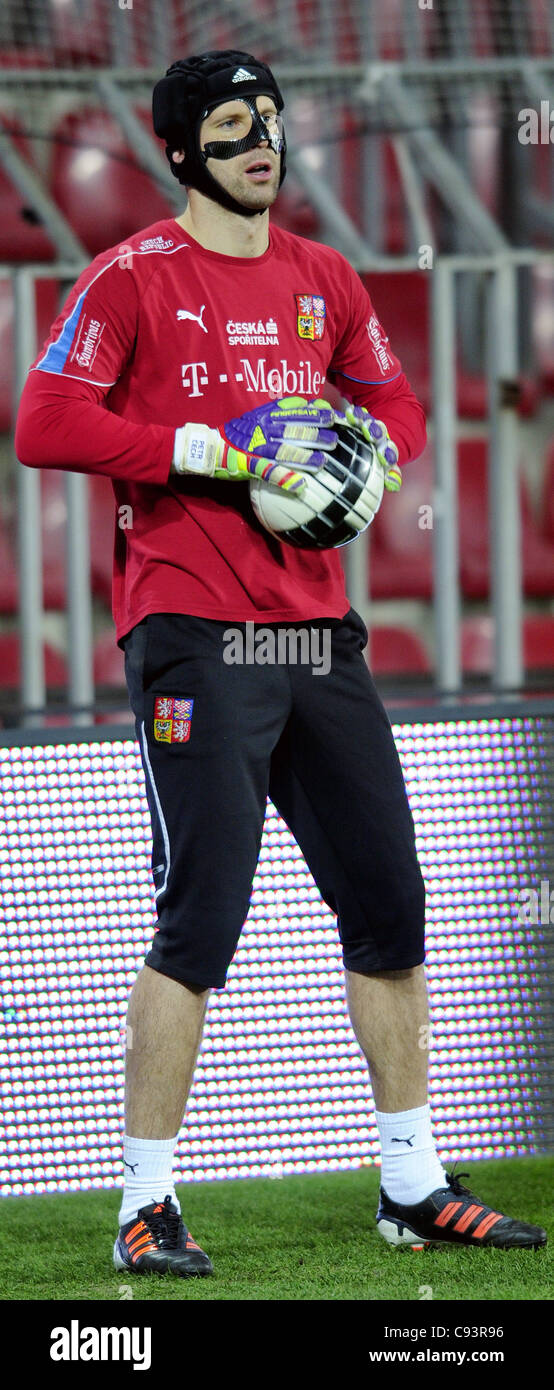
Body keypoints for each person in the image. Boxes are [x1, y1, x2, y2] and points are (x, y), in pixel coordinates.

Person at [15, 48, 546, 1277]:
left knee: (392, 908)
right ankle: (144, 1205)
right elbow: (46, 421)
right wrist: (206, 454)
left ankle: (409, 1183)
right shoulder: (129, 277)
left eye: (271, 118)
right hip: (194, 630)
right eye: (232, 123)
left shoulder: (325, 276)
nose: (264, 138)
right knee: (199, 918)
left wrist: (366, 452)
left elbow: (398, 408)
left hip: (317, 633)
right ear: (178, 150)